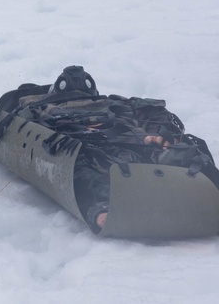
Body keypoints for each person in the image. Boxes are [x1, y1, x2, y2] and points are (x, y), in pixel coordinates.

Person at [17, 66, 209, 232]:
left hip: (121, 146)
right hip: (100, 147)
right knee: (79, 164)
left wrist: (161, 137)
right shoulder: (39, 110)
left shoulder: (117, 105)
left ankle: (105, 208)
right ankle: (104, 207)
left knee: (81, 164)